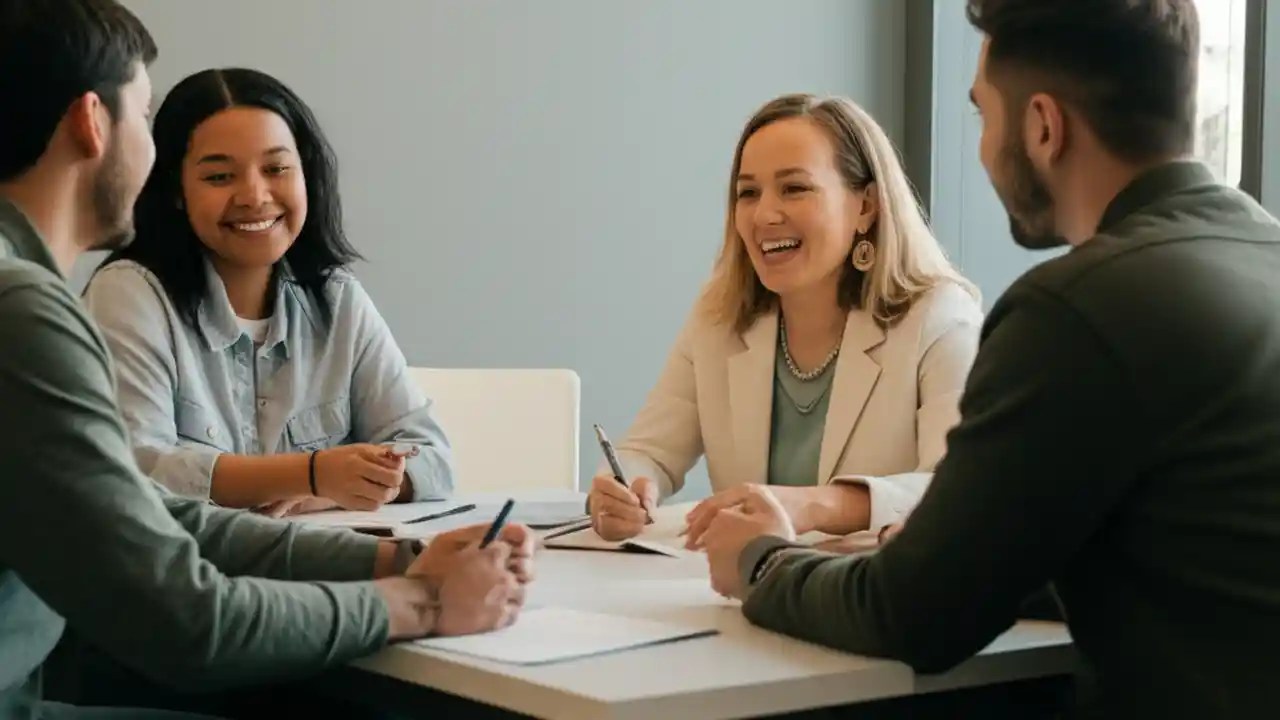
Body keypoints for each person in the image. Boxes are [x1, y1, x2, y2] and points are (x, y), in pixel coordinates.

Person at [702, 1, 1280, 717]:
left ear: (1042, 125)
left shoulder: (1077, 309)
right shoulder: (1260, 260)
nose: (980, 148)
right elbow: (1196, 558)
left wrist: (764, 561)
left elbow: (915, 617)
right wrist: (966, 545)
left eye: (982, 114)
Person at [0, 2, 533, 718]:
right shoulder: (25, 312)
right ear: (93, 122)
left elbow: (150, 517)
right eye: (147, 113)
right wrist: (425, 600)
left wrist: (395, 560)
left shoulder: (21, 296)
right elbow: (190, 620)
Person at [588, 93, 983, 546]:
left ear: (866, 206)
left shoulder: (940, 317)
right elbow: (647, 453)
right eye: (748, 193)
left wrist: (813, 505)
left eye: (795, 188)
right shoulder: (719, 318)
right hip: (747, 590)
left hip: (872, 597)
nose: (764, 215)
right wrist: (623, 490)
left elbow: (962, 488)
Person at [82, 68, 451, 517]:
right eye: (219, 177)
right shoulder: (129, 295)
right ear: (176, 191)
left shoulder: (339, 301)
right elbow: (136, 469)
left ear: (305, 175)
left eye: (276, 169)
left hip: (320, 569)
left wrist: (328, 490)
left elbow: (430, 456)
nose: (255, 196)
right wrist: (310, 472)